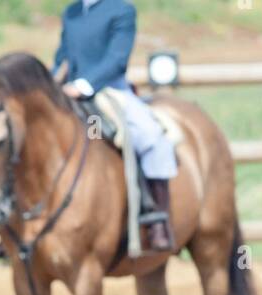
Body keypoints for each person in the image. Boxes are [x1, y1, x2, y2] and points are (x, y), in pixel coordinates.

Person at [54, 0, 177, 251]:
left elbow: (116, 59)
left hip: (110, 90)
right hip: (68, 91)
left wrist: (84, 85)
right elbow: (62, 57)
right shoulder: (72, 12)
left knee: (151, 138)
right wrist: (52, 82)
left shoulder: (121, 10)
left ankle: (157, 219)